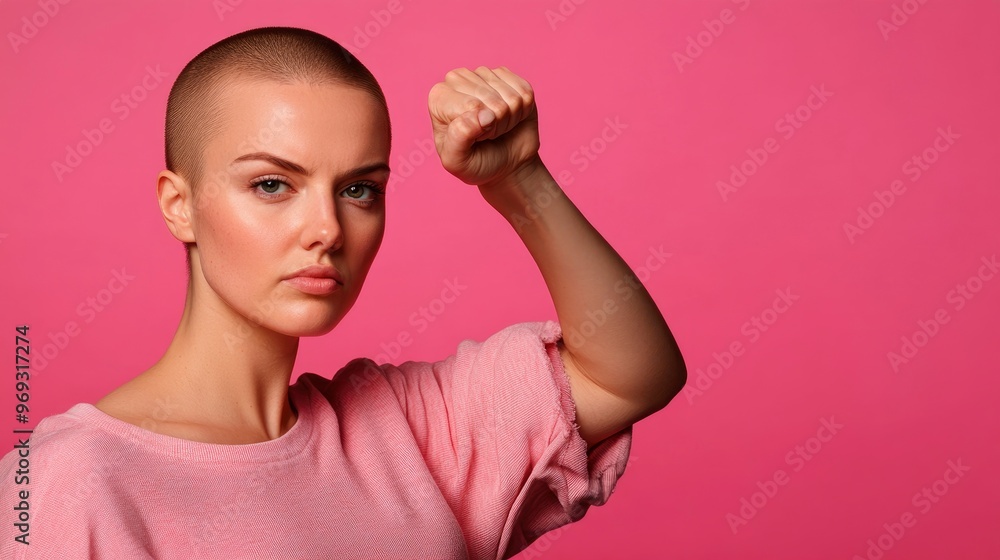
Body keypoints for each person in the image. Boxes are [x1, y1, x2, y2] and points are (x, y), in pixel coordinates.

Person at [0, 26, 686, 559]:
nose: (327, 229)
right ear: (179, 205)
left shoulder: (406, 432)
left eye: (360, 189)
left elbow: (631, 376)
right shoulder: (66, 486)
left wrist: (518, 180)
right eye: (272, 185)